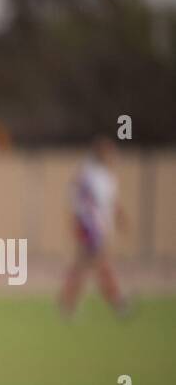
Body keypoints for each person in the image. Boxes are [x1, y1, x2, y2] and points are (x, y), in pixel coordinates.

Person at [59, 136, 129, 318]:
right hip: (93, 230)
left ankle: (68, 304)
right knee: (99, 266)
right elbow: (106, 204)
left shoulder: (86, 174)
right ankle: (118, 302)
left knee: (83, 267)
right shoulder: (99, 177)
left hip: (88, 228)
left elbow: (74, 199)